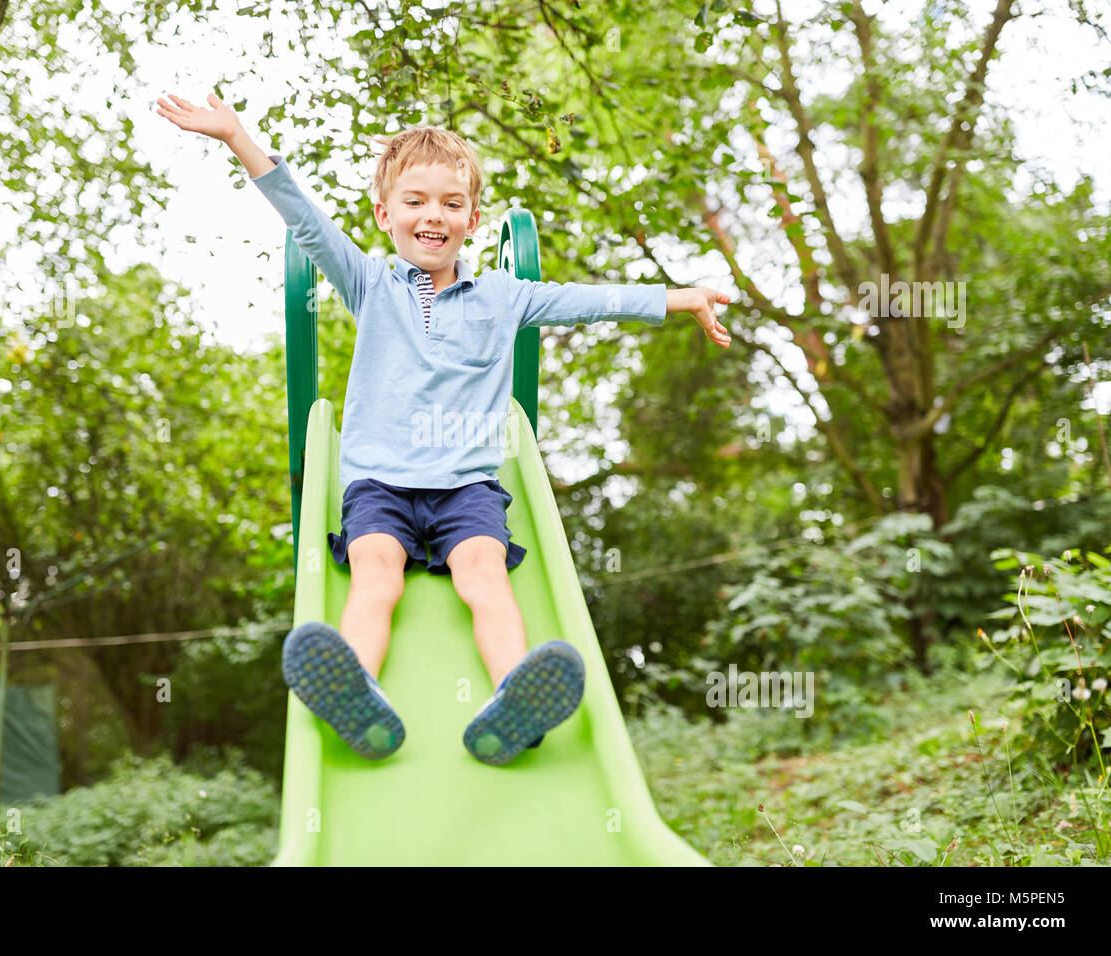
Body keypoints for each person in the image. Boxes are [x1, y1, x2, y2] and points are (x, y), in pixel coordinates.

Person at [157, 92, 731, 766]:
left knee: (485, 573)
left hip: (466, 487)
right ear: (385, 214)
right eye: (415, 200)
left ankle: (516, 699)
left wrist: (682, 297)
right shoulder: (370, 284)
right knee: (376, 572)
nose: (434, 214)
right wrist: (237, 138)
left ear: (472, 218)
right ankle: (355, 694)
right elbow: (306, 224)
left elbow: (593, 301)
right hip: (381, 484)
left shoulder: (504, 296)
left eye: (451, 203)